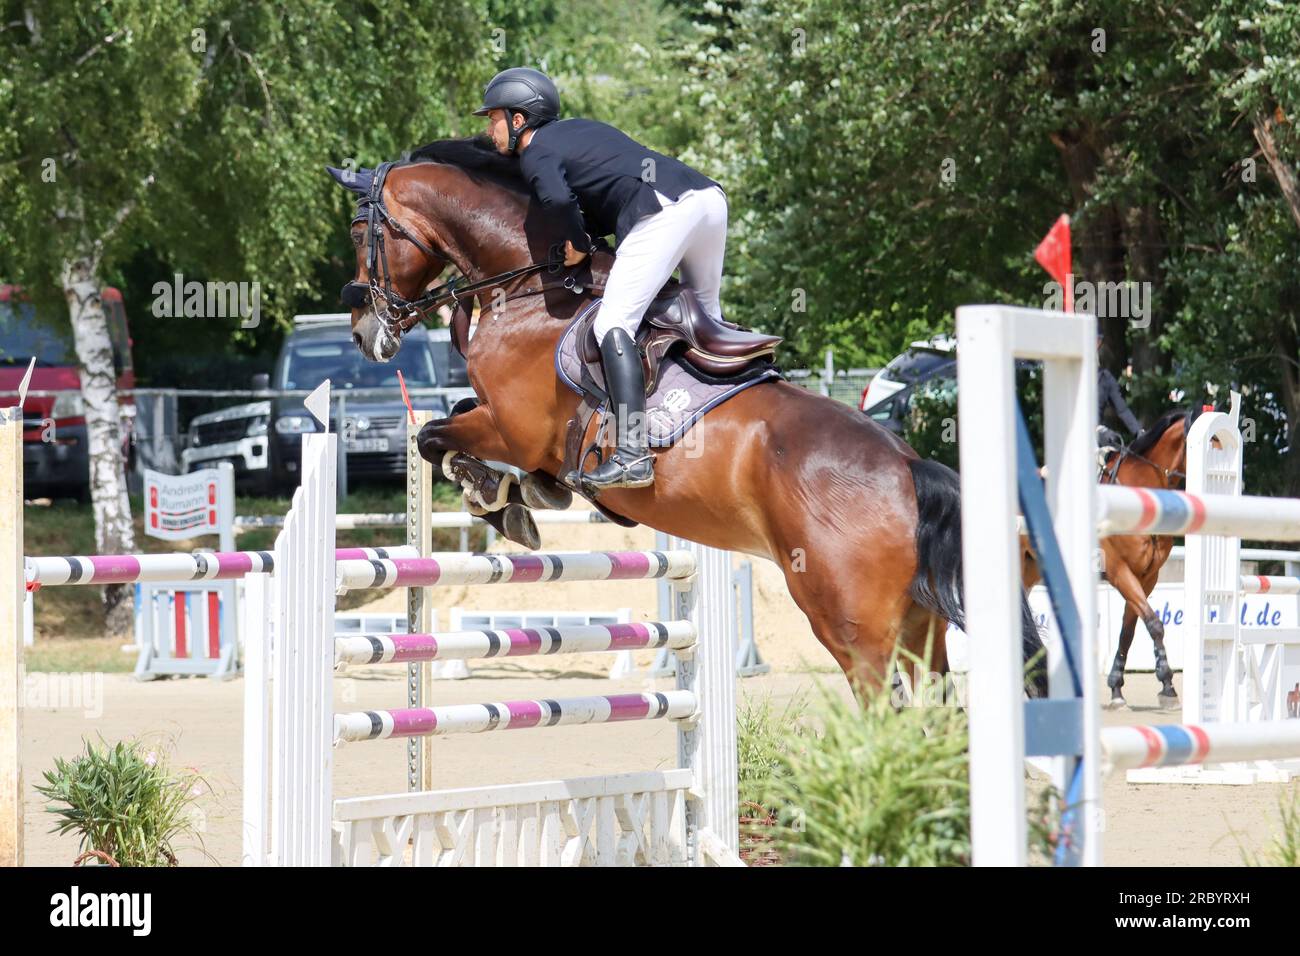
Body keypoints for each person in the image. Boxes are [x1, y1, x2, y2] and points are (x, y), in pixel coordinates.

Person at [474, 66, 727, 491]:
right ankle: (724, 414)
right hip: (707, 200)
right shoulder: (577, 131)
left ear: (520, 120)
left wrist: (576, 244)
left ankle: (631, 455)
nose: (489, 128)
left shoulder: (535, 151)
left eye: (493, 117)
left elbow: (557, 200)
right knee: (706, 321)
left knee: (613, 323)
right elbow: (597, 194)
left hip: (665, 210)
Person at [1097, 333, 1143, 455]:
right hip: (1071, 434)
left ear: (1098, 343)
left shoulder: (1105, 378)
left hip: (1095, 434)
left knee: (1114, 443)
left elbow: (1122, 410)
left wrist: (1139, 431)